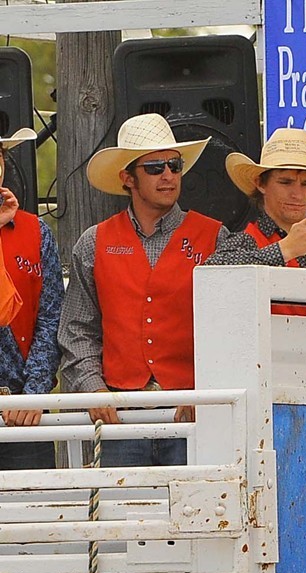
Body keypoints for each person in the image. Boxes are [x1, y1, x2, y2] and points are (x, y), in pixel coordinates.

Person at [58, 113, 236, 467]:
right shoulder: (93, 243)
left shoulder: (216, 238)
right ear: (128, 178)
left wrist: (205, 387)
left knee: (198, 518)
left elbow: (229, 329)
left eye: (174, 164)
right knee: (122, 517)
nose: (169, 174)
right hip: (120, 414)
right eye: (155, 167)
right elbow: (77, 330)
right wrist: (94, 389)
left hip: (194, 414)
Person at [203, 127, 306, 313]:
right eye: (285, 182)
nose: (297, 194)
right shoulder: (246, 241)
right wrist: (285, 249)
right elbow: (211, 272)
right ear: (261, 184)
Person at [0, 128, 64, 471]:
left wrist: (34, 393)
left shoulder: (37, 231)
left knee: (37, 514)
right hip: (20, 406)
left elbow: (52, 316)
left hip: (23, 408)